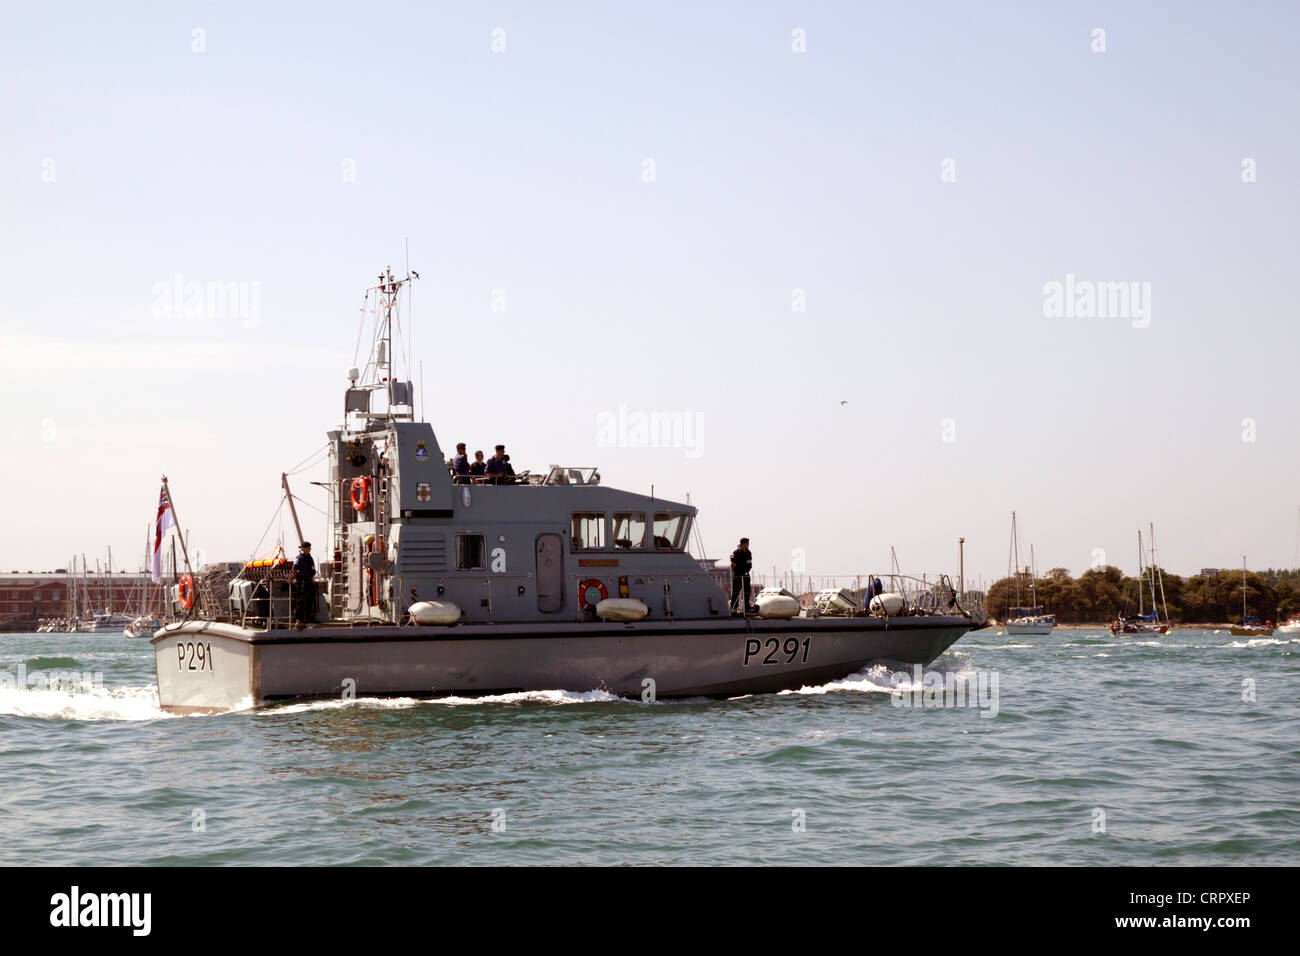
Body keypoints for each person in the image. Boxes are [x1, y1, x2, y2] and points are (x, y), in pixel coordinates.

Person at [292, 542, 316, 624]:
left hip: (309, 580)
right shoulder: (299, 558)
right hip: (301, 581)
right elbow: (294, 569)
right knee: (300, 600)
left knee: (310, 599)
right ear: (303, 548)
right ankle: (299, 618)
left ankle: (309, 617)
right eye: (308, 548)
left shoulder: (309, 558)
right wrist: (296, 578)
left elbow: (312, 569)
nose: (310, 549)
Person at [730, 537, 755, 614]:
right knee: (736, 592)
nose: (748, 545)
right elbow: (732, 564)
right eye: (747, 543)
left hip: (746, 575)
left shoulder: (748, 552)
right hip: (738, 575)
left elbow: (749, 564)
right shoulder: (736, 553)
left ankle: (747, 608)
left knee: (747, 592)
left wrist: (747, 571)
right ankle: (734, 609)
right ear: (743, 544)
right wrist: (736, 572)